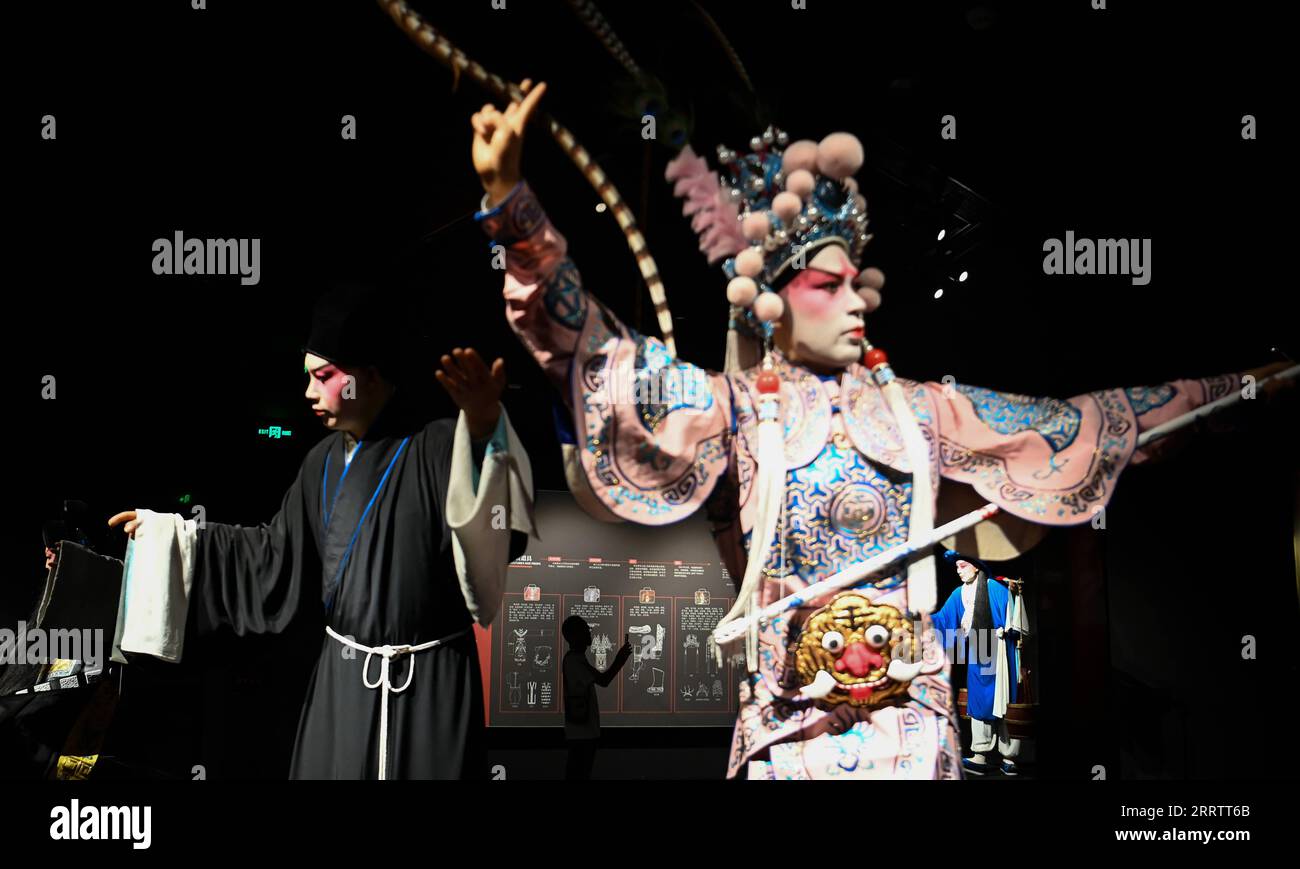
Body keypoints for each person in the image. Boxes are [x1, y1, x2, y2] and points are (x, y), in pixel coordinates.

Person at [469, 81, 1285, 779]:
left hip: (915, 733)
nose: (858, 300)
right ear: (773, 300)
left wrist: (1236, 387)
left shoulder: (925, 410)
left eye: (857, 283)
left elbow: (1083, 426)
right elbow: (596, 349)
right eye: (830, 284)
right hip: (790, 736)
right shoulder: (737, 410)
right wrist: (515, 212)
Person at [108, 286, 536, 779]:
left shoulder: (437, 445)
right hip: (344, 683)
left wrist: (484, 431)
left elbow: (500, 536)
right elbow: (272, 554)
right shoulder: (322, 465)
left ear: (368, 375)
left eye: (324, 376)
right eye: (308, 377)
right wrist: (173, 536)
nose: (310, 392)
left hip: (429, 683)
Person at [930, 550, 1026, 775]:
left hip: (1001, 650)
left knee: (1005, 699)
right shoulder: (958, 593)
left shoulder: (996, 588)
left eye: (962, 566)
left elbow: (1014, 623)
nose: (958, 570)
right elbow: (944, 620)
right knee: (979, 700)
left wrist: (1007, 636)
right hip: (978, 648)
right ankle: (980, 754)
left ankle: (1009, 757)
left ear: (976, 566)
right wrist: (923, 618)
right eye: (957, 567)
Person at [561, 616, 630, 780]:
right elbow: (604, 680)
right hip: (581, 733)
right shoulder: (574, 661)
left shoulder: (576, 659)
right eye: (585, 629)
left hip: (582, 732)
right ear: (575, 636)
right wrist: (620, 659)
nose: (589, 632)